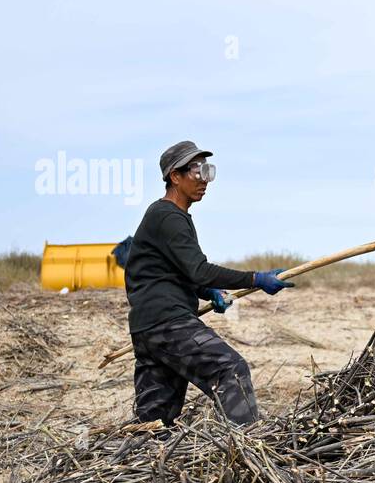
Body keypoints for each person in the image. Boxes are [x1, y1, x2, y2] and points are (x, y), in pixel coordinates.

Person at [123, 140, 294, 426]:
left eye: (208, 171)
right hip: (169, 324)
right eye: (197, 171)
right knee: (231, 370)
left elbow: (179, 274)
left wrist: (208, 292)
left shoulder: (170, 217)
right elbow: (200, 270)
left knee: (155, 422)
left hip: (147, 328)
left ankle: (142, 463)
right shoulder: (167, 215)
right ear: (175, 177)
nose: (205, 180)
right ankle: (247, 449)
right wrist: (257, 279)